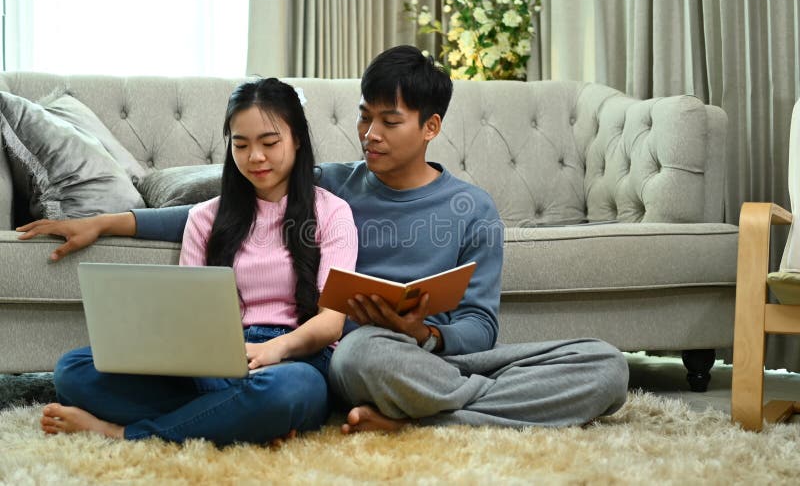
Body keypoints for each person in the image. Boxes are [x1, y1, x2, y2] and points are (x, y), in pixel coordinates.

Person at [20, 45, 628, 435]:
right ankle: (440, 410)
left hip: (428, 356)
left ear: (431, 127)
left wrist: (421, 331)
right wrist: (108, 221)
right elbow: (224, 211)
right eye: (365, 117)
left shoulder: (472, 208)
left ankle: (428, 418)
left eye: (389, 122)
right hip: (358, 357)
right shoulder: (333, 185)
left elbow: (481, 327)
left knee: (606, 366)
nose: (369, 134)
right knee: (359, 354)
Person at [35, 78, 358, 445]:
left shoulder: (333, 213)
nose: (255, 157)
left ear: (297, 139)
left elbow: (332, 323)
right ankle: (240, 419)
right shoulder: (205, 218)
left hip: (296, 360)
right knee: (73, 370)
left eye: (269, 143)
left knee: (291, 391)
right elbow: (191, 318)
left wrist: (274, 349)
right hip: (215, 361)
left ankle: (127, 432)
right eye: (241, 144)